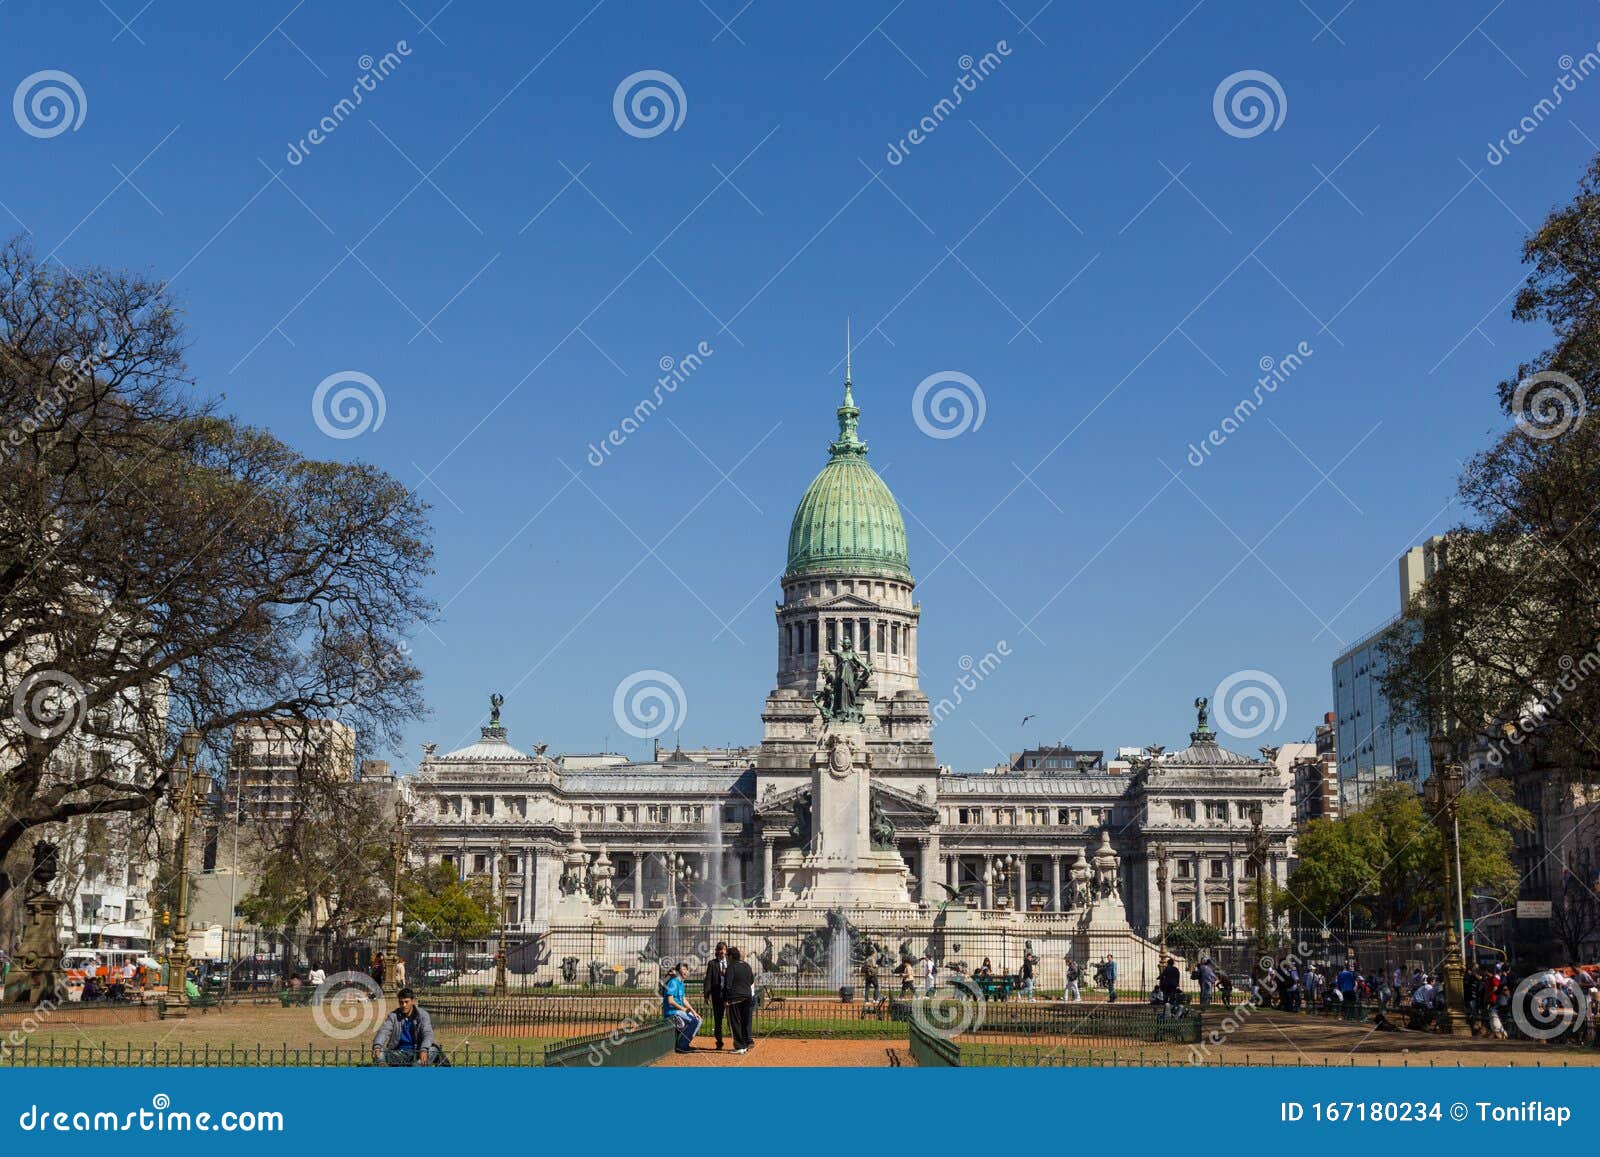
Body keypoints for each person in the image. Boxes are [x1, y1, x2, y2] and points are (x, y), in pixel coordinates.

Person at [373, 988, 442, 1066]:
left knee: (433, 1050)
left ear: (412, 1001)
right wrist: (377, 1045)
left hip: (417, 1052)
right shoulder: (393, 1016)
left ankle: (416, 1067)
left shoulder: (423, 1015)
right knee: (379, 1052)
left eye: (406, 1002)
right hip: (398, 1053)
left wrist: (424, 1049)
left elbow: (428, 1033)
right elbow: (384, 1031)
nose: (404, 1005)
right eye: (401, 1002)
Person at [663, 962, 701, 1053]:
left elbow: (684, 1000)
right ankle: (681, 1046)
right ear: (678, 971)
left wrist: (694, 1011)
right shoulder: (673, 982)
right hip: (672, 1012)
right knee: (694, 1021)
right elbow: (670, 1001)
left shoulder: (681, 983)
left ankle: (685, 1043)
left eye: (687, 969)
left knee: (698, 1020)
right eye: (684, 969)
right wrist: (683, 1009)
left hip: (678, 1011)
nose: (686, 971)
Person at [725, 946, 756, 1054]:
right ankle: (745, 1044)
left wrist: (726, 998)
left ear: (731, 956)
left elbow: (728, 985)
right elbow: (751, 980)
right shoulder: (747, 966)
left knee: (735, 1023)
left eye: (727, 956)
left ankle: (739, 1046)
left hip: (735, 998)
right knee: (744, 1022)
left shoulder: (731, 967)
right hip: (747, 997)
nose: (726, 958)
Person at [703, 942, 730, 1050]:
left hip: (729, 996)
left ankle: (737, 1040)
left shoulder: (730, 962)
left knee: (731, 1019)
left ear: (726, 951)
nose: (722, 952)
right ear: (717, 951)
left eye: (723, 949)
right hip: (717, 995)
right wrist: (706, 995)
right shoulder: (712, 963)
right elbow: (708, 980)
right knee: (718, 1020)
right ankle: (719, 1041)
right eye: (719, 950)